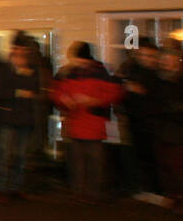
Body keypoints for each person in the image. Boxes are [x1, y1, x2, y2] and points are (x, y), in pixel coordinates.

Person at [51, 42, 125, 203]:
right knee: (78, 161)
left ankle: (92, 193)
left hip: (93, 123)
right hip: (76, 122)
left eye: (78, 59)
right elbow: (56, 92)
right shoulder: (69, 73)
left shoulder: (101, 72)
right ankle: (79, 192)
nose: (76, 62)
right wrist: (64, 100)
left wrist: (94, 101)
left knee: (93, 161)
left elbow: (115, 94)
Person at [0, 36, 42, 199]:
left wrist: (21, 80)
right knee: (5, 155)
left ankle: (15, 187)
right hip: (7, 118)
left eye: (23, 49)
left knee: (20, 156)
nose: (21, 52)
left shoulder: (32, 68)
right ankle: (2, 188)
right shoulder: (3, 68)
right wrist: (18, 90)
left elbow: (34, 90)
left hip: (24, 119)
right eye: (18, 49)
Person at [116, 39, 162, 198]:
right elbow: (121, 86)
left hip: (153, 122)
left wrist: (140, 91)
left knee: (151, 157)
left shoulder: (157, 74)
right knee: (134, 155)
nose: (146, 58)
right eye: (142, 55)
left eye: (149, 56)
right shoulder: (132, 69)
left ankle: (154, 189)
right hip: (134, 119)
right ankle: (137, 187)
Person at [150, 45, 183, 205]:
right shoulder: (158, 80)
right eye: (163, 60)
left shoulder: (178, 81)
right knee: (165, 166)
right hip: (160, 130)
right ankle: (172, 195)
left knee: (177, 167)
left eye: (168, 60)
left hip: (176, 132)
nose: (165, 63)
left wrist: (171, 108)